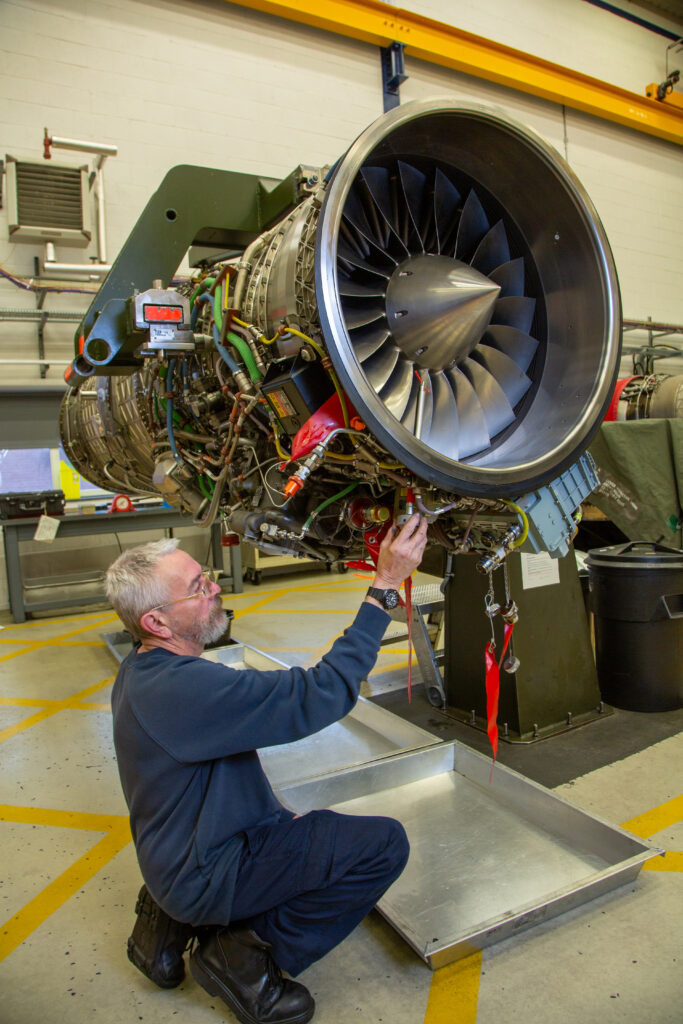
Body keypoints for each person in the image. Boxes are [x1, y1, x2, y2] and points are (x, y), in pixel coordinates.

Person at [105, 514, 428, 1024]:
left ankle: (162, 927)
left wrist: (276, 820)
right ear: (157, 623)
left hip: (171, 855)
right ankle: (242, 960)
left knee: (293, 822)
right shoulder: (187, 690)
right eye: (197, 588)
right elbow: (320, 693)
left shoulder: (141, 671)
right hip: (204, 874)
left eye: (205, 575)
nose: (214, 588)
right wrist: (384, 588)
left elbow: (218, 778)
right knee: (382, 846)